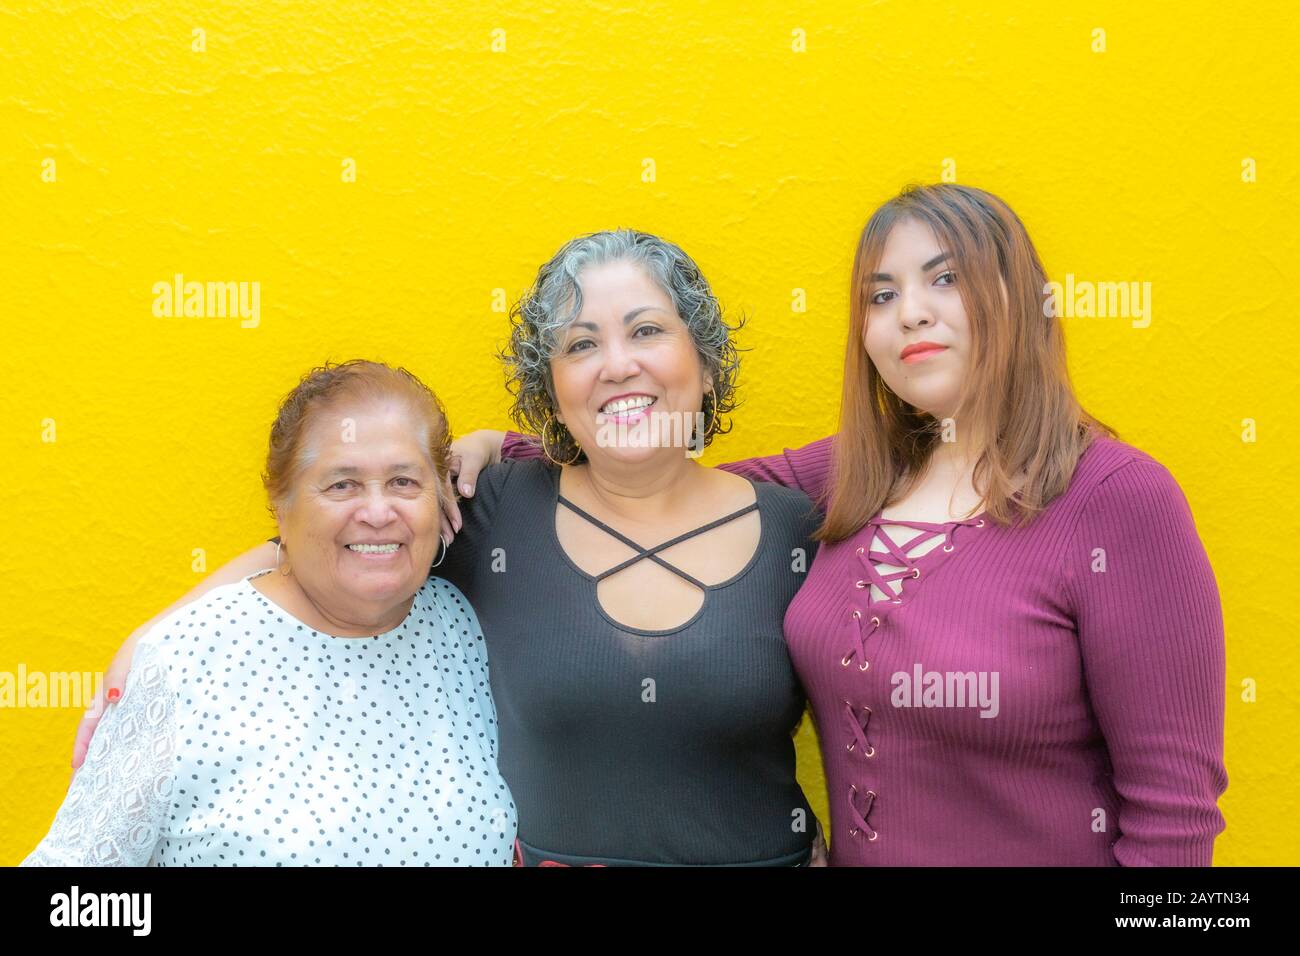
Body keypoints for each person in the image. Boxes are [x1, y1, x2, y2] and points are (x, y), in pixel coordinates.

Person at [461, 184, 1229, 865]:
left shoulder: (1122, 501)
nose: (912, 313)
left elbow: (1174, 815)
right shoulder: (865, 472)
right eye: (882, 295)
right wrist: (512, 451)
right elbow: (667, 484)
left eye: (946, 279)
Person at [70, 231, 827, 866]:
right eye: (580, 343)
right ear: (552, 385)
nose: (617, 364)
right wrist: (150, 647)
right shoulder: (494, 511)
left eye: (648, 331)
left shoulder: (799, 531)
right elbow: (318, 548)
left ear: (704, 354)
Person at [28, 360, 516, 865]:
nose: (376, 512)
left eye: (403, 482)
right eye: (342, 485)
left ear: (441, 498)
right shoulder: (184, 660)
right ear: (281, 508)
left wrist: (492, 441)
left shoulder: (467, 626)